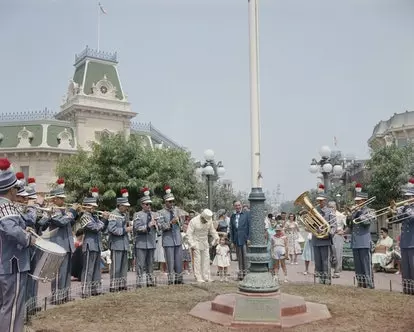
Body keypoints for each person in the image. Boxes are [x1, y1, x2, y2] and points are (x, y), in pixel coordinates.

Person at [0, 158, 36, 332]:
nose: (17, 191)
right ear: (11, 189)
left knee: (6, 306)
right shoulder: (6, 208)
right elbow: (11, 229)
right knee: (13, 307)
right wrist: (28, 238)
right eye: (16, 187)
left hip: (5, 262)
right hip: (12, 263)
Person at [38, 179, 79, 304]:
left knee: (66, 272)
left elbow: (70, 222)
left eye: (63, 198)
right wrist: (72, 211)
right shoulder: (52, 211)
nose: (63, 200)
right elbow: (61, 222)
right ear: (54, 199)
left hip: (67, 244)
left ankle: (65, 295)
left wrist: (77, 213)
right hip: (58, 245)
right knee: (57, 274)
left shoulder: (64, 211)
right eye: (61, 198)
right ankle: (57, 297)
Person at [346, 191, 376, 289]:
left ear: (364, 201)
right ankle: (360, 283)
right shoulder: (354, 211)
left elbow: (366, 223)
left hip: (364, 241)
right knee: (358, 265)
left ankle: (369, 284)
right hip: (355, 242)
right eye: (357, 201)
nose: (357, 203)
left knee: (366, 265)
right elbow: (350, 225)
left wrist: (359, 212)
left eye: (359, 201)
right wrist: (349, 216)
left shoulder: (369, 211)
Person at [80, 195, 108, 297]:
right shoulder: (85, 217)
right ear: (87, 206)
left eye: (94, 207)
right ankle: (85, 291)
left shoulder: (94, 217)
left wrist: (106, 220)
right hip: (89, 245)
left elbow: (103, 228)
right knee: (88, 269)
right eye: (92, 206)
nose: (94, 208)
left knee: (96, 269)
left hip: (97, 245)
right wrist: (104, 220)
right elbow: (95, 228)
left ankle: (95, 289)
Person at [108, 189, 133, 292]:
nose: (127, 208)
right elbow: (112, 229)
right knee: (116, 267)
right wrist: (125, 230)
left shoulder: (124, 215)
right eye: (125, 206)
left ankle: (122, 284)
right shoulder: (113, 214)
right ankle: (114, 285)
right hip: (116, 243)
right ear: (120, 205)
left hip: (124, 243)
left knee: (123, 266)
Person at [132, 187, 158, 287]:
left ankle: (150, 281)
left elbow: (159, 230)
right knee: (140, 264)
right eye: (147, 204)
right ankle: (139, 282)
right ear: (142, 205)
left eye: (150, 204)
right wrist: (148, 225)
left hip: (151, 242)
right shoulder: (137, 215)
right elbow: (137, 228)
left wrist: (157, 224)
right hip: (141, 243)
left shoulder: (154, 214)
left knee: (150, 264)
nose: (149, 206)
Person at [390, 188, 414, 294]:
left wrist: (404, 208)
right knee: (406, 268)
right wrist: (393, 212)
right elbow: (395, 220)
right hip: (405, 242)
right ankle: (407, 289)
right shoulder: (404, 208)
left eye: (409, 197)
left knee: (413, 267)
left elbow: (411, 216)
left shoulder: (408, 209)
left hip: (413, 242)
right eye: (406, 197)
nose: (406, 199)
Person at [158, 186, 183, 285]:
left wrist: (179, 220)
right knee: (170, 261)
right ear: (165, 202)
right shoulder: (161, 212)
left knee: (178, 261)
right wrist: (170, 223)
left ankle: (179, 279)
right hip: (168, 240)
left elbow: (181, 224)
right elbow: (160, 227)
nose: (172, 203)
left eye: (173, 201)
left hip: (177, 239)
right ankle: (171, 280)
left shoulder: (177, 210)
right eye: (169, 202)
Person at [186, 209, 219, 283]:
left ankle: (206, 276)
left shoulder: (209, 220)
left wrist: (216, 237)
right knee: (197, 260)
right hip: (196, 241)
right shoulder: (194, 221)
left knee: (206, 259)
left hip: (205, 241)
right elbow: (189, 234)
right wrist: (192, 244)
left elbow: (212, 230)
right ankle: (198, 276)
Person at [311, 192, 337, 285]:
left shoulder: (330, 211)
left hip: (325, 240)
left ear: (325, 201)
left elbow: (334, 226)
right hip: (316, 239)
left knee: (326, 262)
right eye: (318, 200)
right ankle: (321, 280)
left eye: (321, 200)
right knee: (318, 261)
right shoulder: (314, 211)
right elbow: (310, 224)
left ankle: (327, 280)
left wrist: (329, 234)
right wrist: (313, 228)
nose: (319, 202)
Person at [229, 200, 251, 280]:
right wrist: (232, 241)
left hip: (244, 238)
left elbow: (250, 226)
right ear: (234, 207)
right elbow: (231, 229)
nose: (238, 207)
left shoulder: (246, 214)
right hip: (236, 239)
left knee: (245, 256)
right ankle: (241, 273)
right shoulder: (233, 216)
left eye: (239, 205)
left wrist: (249, 238)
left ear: (241, 205)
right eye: (236, 205)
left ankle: (246, 273)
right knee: (239, 256)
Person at [329, 201, 346, 278]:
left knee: (338, 254)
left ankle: (337, 272)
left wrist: (343, 232)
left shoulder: (340, 215)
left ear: (336, 207)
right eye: (330, 207)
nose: (331, 208)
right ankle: (329, 271)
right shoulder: (328, 215)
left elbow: (347, 225)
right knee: (330, 254)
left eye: (332, 207)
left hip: (338, 235)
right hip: (330, 235)